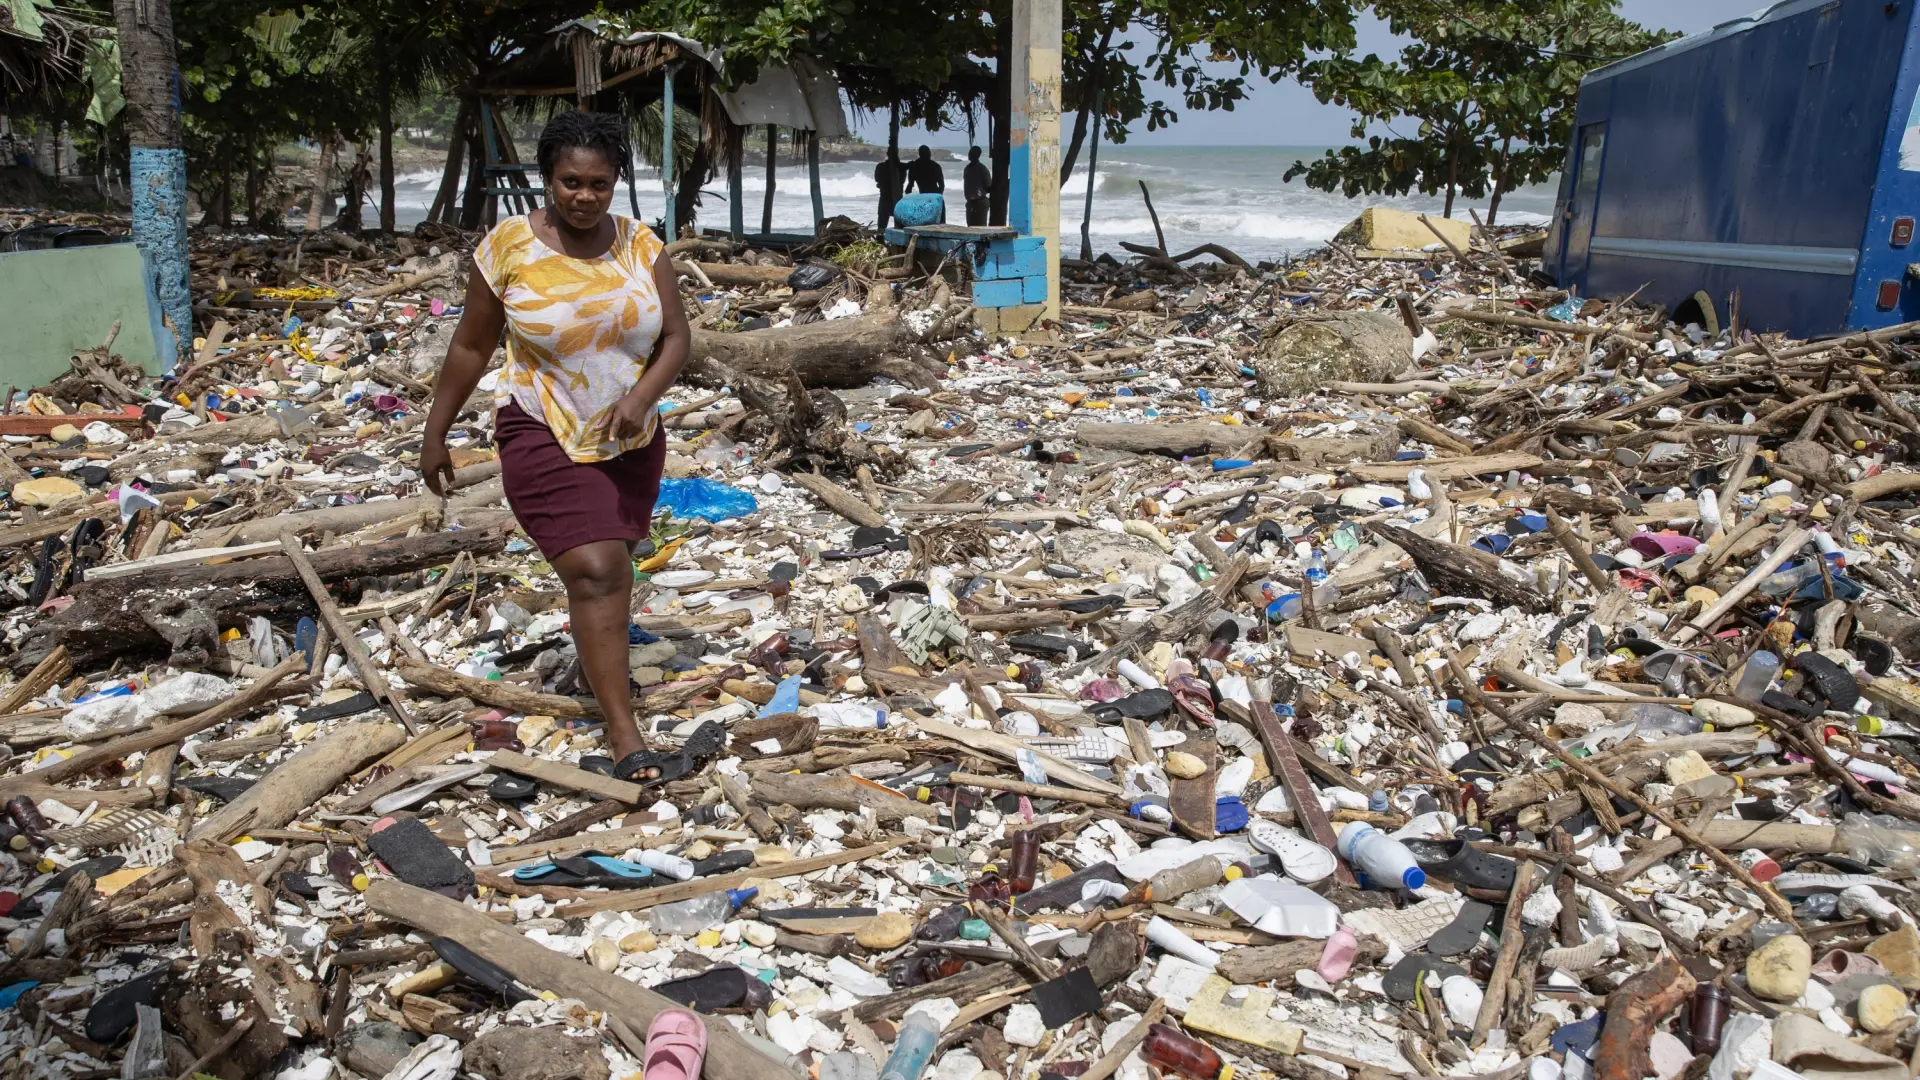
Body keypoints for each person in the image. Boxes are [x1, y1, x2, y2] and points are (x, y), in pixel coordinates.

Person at [421, 110, 692, 783]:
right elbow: (471, 344)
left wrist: (641, 399)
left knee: (610, 565)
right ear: (547, 179)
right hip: (539, 423)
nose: (584, 196)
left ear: (616, 184)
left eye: (599, 184)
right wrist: (435, 433)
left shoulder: (641, 245)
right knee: (599, 568)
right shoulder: (509, 246)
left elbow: (677, 339)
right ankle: (624, 732)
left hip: (631, 436)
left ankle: (590, 666)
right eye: (570, 182)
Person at [906, 145, 946, 222]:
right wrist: (938, 197)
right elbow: (942, 185)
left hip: (923, 198)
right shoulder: (934, 166)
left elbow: (909, 188)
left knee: (926, 222)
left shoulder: (915, 166)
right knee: (940, 222)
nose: (929, 155)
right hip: (934, 196)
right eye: (928, 153)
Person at [873, 147, 905, 228]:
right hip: (897, 198)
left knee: (881, 225)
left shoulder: (880, 167)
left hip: (885, 197)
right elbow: (902, 181)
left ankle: (880, 239)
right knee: (899, 226)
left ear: (887, 154)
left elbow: (877, 179)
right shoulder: (901, 168)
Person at [963, 145, 991, 227]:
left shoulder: (982, 169)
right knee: (970, 227)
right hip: (970, 203)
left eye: (971, 152)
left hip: (980, 203)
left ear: (977, 155)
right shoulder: (967, 168)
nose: (969, 154)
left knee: (981, 227)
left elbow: (988, 186)